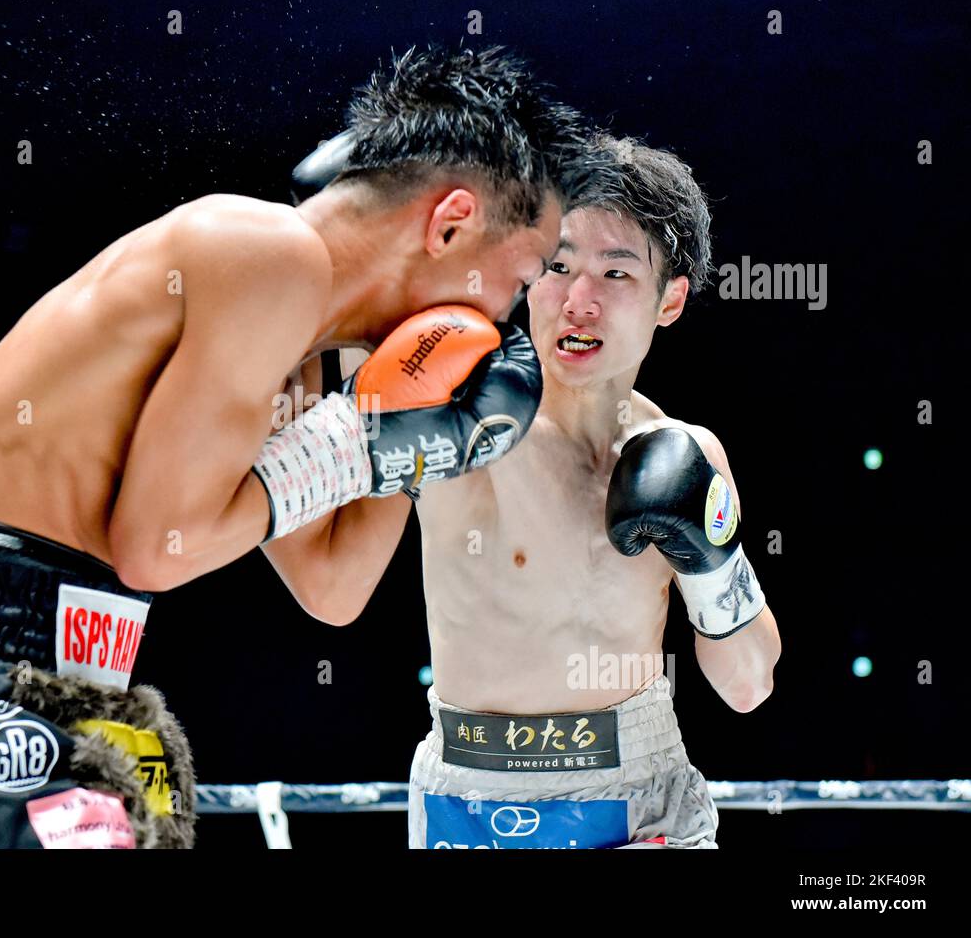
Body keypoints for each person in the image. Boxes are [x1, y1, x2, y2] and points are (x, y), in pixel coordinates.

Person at [0, 45, 604, 848]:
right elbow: (156, 549)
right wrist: (349, 445)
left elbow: (332, 588)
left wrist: (405, 437)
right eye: (522, 277)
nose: (515, 313)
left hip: (70, 676)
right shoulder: (268, 253)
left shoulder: (296, 341)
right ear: (450, 222)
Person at [267, 134, 781, 848]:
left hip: (641, 802)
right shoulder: (457, 412)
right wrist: (336, 240)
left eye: (615, 273)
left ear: (671, 299)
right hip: (468, 797)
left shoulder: (688, 454)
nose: (578, 300)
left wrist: (714, 564)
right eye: (560, 265)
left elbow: (749, 685)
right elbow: (331, 584)